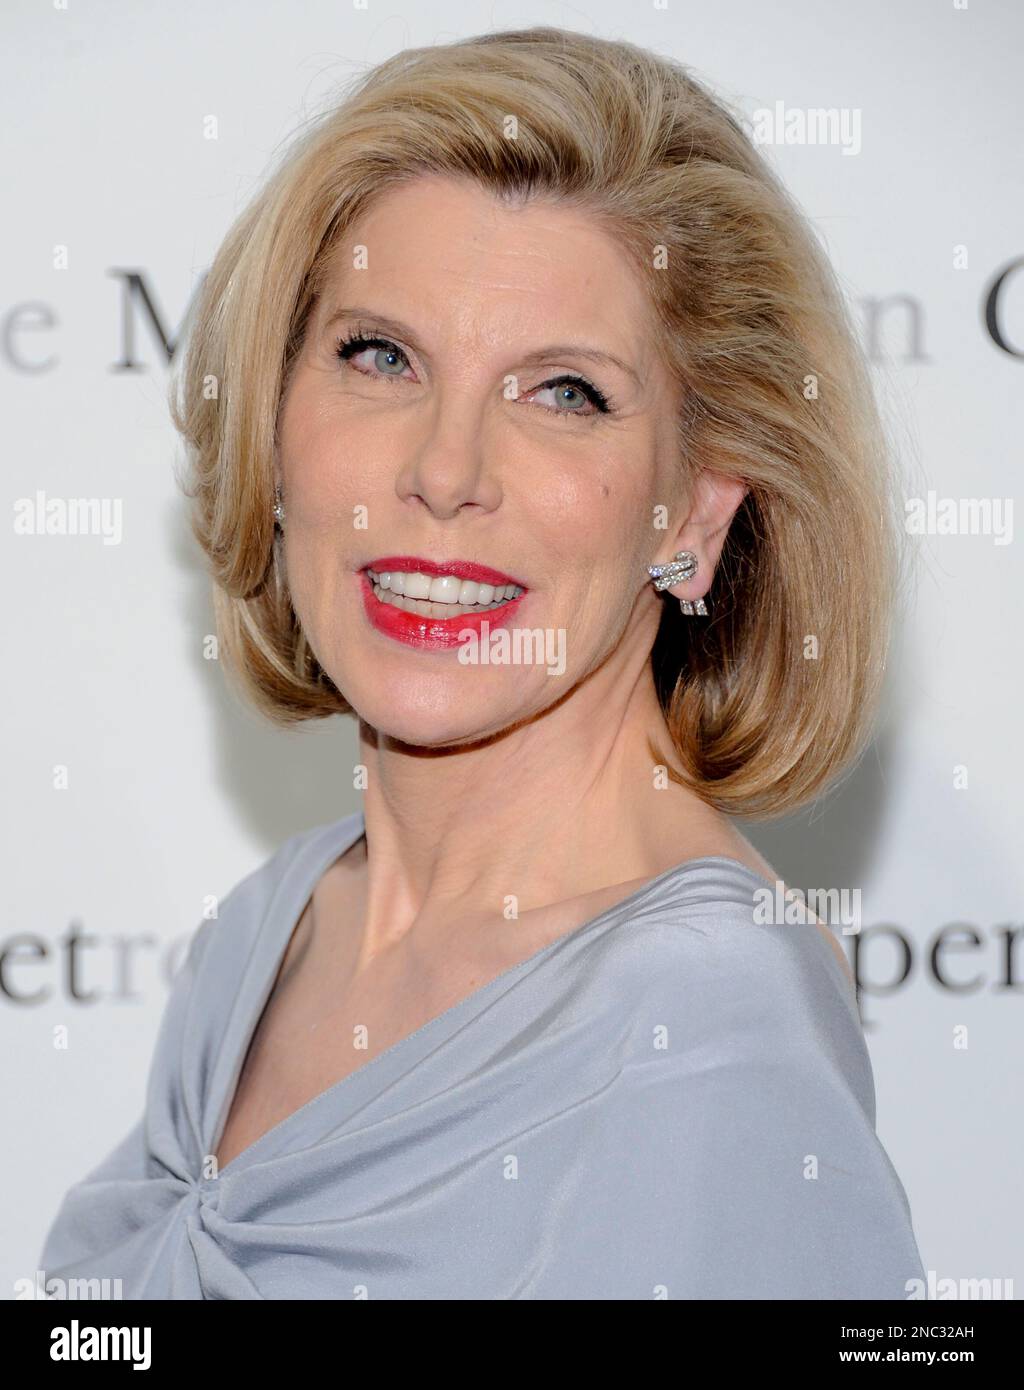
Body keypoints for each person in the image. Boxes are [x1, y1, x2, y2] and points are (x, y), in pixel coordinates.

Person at [39, 25, 925, 1299]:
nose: (444, 472)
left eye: (562, 391)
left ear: (693, 509)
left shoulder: (704, 1018)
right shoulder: (272, 930)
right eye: (378, 355)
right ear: (275, 426)